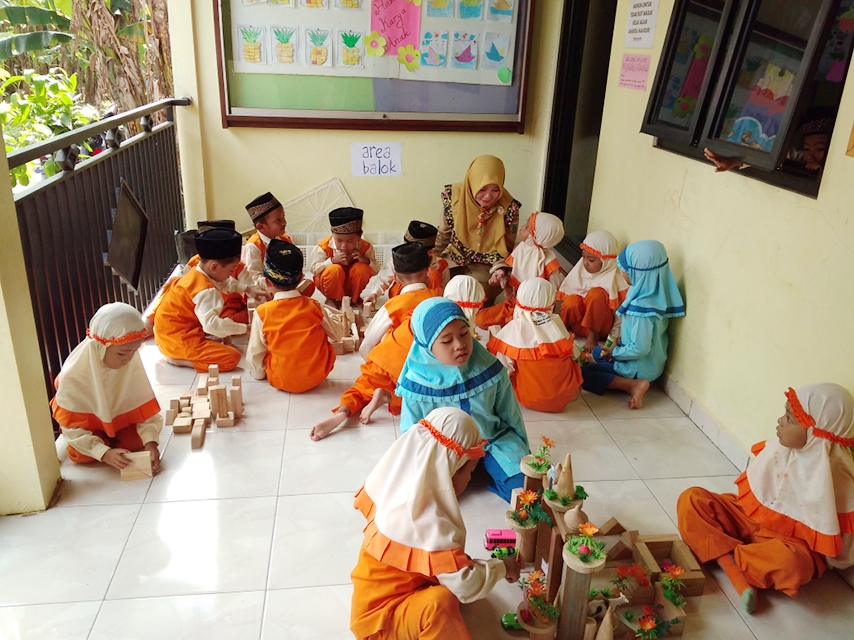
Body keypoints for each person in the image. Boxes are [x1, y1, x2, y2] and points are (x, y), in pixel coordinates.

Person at [677, 384, 854, 613]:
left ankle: (721, 553)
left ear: (817, 435)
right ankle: (734, 567)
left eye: (789, 419)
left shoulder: (838, 478)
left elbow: (841, 549)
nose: (780, 421)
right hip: (748, 518)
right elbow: (748, 500)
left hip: (791, 543)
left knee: (791, 565)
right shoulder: (777, 449)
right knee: (691, 499)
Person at [350, 407, 520, 640]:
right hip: (380, 624)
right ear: (448, 471)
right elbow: (466, 585)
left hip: (382, 600)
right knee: (440, 604)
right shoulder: (428, 522)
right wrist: (502, 567)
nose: (470, 479)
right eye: (469, 473)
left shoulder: (400, 490)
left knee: (452, 573)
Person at [397, 297, 529, 501]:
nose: (460, 345)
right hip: (446, 452)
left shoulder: (490, 370)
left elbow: (511, 416)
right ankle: (478, 474)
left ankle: (487, 472)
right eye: (447, 340)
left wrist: (524, 453)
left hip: (493, 441)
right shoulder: (417, 385)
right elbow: (412, 437)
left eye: (464, 333)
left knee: (526, 491)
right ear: (426, 346)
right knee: (426, 498)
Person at [52, 302, 162, 472]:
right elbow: (72, 428)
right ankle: (103, 443)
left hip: (117, 419)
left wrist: (151, 442)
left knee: (136, 442)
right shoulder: (73, 376)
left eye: (134, 351)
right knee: (82, 455)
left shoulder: (131, 362)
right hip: (87, 423)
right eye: (121, 353)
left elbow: (145, 411)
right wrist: (104, 453)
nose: (128, 359)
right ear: (100, 346)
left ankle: (111, 439)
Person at [581, 240, 685, 409]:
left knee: (582, 374)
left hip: (638, 367)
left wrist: (615, 351)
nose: (622, 273)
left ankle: (632, 385)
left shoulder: (641, 309)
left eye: (626, 270)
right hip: (652, 362)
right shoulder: (657, 293)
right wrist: (614, 346)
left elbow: (640, 348)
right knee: (599, 351)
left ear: (640, 273)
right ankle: (624, 372)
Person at [310, 311, 417, 441]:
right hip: (408, 369)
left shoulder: (404, 307)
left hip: (383, 356)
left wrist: (372, 360)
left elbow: (370, 339)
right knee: (417, 396)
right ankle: (389, 396)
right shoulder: (444, 322)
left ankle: (342, 412)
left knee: (359, 390)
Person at [246, 240, 337, 393]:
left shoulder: (262, 312)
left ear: (267, 282)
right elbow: (336, 334)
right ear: (302, 277)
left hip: (280, 379)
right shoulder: (314, 305)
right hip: (317, 376)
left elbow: (255, 354)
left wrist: (259, 374)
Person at [154, 228, 249, 372]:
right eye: (231, 270)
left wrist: (248, 288)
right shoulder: (206, 290)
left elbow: (224, 283)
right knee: (232, 358)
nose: (231, 275)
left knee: (223, 333)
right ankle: (179, 360)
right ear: (214, 266)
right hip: (177, 341)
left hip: (166, 335)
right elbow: (212, 326)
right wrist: (244, 328)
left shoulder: (197, 272)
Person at [433, 155, 521, 304]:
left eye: (495, 190)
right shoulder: (454, 198)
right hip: (455, 257)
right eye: (483, 188)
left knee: (474, 295)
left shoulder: (509, 208)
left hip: (487, 266)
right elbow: (443, 235)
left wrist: (500, 269)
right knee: (439, 286)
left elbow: (506, 248)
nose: (488, 196)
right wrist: (431, 259)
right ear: (473, 183)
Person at [488, 278, 582, 413]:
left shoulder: (513, 328)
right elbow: (575, 353)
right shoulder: (556, 324)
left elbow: (504, 370)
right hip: (565, 397)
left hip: (529, 399)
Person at [475, 211, 564, 329]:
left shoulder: (548, 260)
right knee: (480, 319)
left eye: (527, 227)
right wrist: (504, 283)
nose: (521, 228)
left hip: (533, 312)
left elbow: (553, 293)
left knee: (519, 327)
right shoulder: (520, 249)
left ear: (536, 236)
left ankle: (516, 325)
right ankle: (511, 322)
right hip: (512, 304)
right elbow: (512, 273)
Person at [358, 242, 442, 359]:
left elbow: (367, 344)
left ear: (396, 277)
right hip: (433, 360)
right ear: (428, 272)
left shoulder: (392, 307)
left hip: (399, 363)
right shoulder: (440, 298)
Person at [558, 230, 628, 353]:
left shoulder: (614, 278)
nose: (585, 263)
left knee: (597, 294)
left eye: (591, 260)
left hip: (600, 328)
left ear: (605, 260)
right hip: (579, 326)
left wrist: (613, 338)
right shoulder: (579, 272)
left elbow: (619, 315)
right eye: (583, 257)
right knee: (571, 300)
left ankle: (592, 337)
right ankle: (562, 331)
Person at [705, 109, 835, 173]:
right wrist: (734, 161)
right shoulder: (798, 158)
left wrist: (822, 170)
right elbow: (767, 154)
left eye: (819, 149)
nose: (810, 155)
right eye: (806, 148)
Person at [241, 192, 315, 296]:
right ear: (261, 227)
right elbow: (254, 279)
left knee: (309, 285)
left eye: (283, 217)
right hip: (269, 289)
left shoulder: (285, 239)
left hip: (287, 285)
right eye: (278, 220)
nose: (284, 222)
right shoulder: (253, 246)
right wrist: (279, 284)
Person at [363, 220, 449, 303]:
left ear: (430, 252)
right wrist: (374, 294)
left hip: (428, 300)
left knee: (433, 274)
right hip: (402, 299)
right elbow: (385, 279)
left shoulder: (440, 264)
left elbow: (445, 288)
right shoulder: (398, 260)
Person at [308, 207, 379, 307]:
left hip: (350, 285)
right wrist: (332, 261)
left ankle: (355, 297)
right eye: (339, 241)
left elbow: (376, 270)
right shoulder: (323, 247)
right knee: (334, 269)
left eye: (350, 241)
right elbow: (314, 269)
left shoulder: (366, 247)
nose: (343, 246)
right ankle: (332, 299)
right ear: (332, 234)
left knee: (362, 268)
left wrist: (366, 261)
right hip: (329, 284)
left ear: (359, 237)